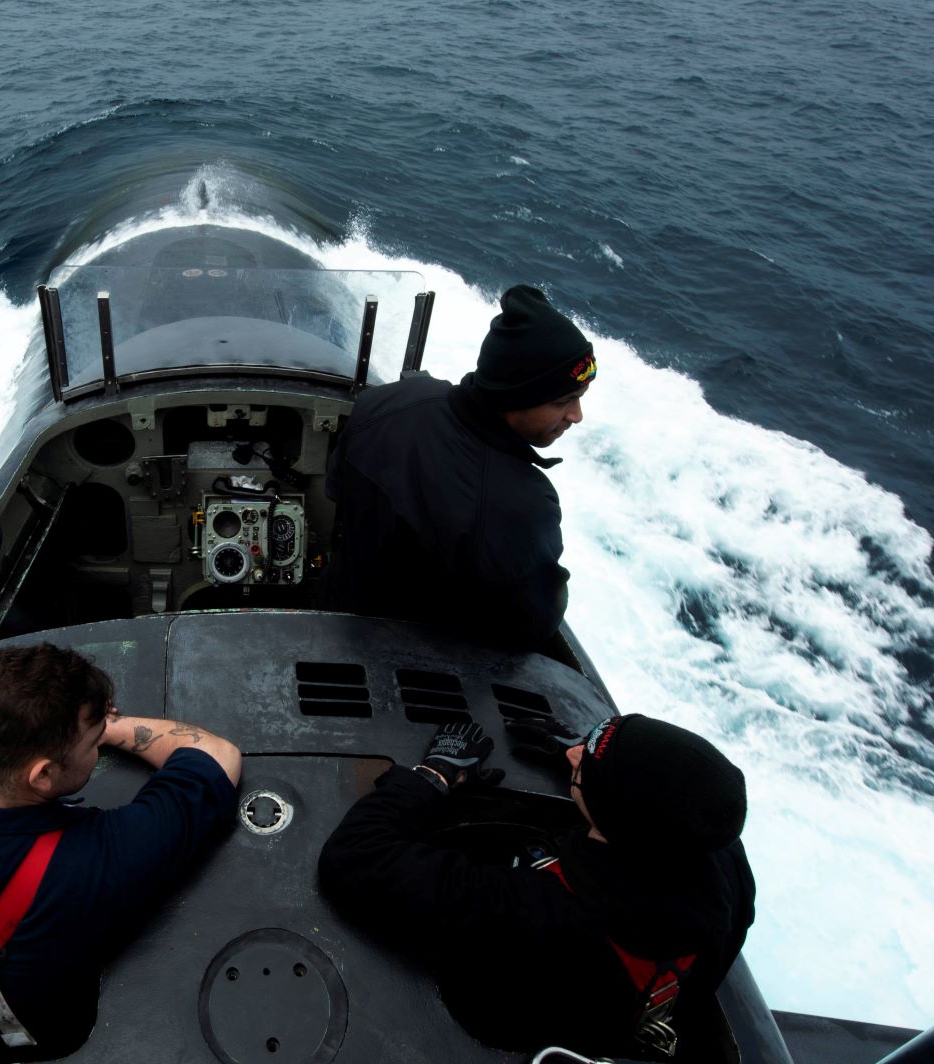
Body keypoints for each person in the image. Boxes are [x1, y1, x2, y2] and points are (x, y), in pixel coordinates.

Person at [0, 642, 241, 1060]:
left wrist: (5, 735)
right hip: (52, 1044)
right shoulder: (104, 859)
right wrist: (113, 727)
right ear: (42, 775)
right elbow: (218, 755)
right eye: (92, 741)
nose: (98, 744)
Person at [318, 714, 755, 1060]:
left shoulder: (531, 913)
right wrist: (594, 762)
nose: (574, 755)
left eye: (585, 762)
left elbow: (355, 856)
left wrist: (434, 775)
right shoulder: (726, 865)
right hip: (614, 1013)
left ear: (620, 824)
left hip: (508, 1012)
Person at [323, 284, 596, 650]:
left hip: (336, 620)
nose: (576, 415)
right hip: (416, 662)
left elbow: (336, 493)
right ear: (515, 394)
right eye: (565, 401)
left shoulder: (382, 403)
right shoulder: (523, 503)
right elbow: (533, 625)